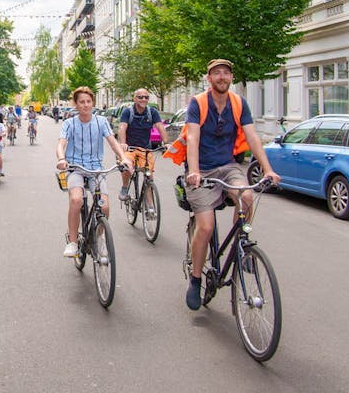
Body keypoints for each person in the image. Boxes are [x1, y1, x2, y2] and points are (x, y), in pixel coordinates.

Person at [182, 59, 280, 310]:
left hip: (228, 167)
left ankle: (242, 244)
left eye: (226, 73)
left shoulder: (239, 103)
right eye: (217, 73)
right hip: (201, 170)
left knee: (247, 197)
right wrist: (193, 171)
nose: (222, 77)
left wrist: (267, 169)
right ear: (209, 78)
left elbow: (252, 136)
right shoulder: (198, 102)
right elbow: (192, 137)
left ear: (231, 77)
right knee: (205, 227)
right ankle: (195, 279)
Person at [56, 87, 133, 257]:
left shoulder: (101, 121)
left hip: (96, 170)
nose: (85, 105)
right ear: (76, 104)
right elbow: (61, 144)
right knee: (76, 200)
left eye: (88, 101)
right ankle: (73, 242)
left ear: (93, 102)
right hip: (75, 168)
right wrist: (62, 159)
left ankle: (98, 238)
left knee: (104, 207)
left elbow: (113, 143)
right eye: (82, 102)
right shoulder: (69, 123)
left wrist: (123, 158)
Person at [118, 88, 169, 201]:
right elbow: (122, 128)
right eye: (140, 97)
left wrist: (166, 143)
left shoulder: (152, 112)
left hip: (145, 149)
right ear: (135, 99)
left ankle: (150, 206)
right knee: (127, 167)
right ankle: (125, 187)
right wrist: (123, 143)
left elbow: (160, 127)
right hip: (129, 148)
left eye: (146, 97)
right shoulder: (128, 112)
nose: (144, 99)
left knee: (149, 176)